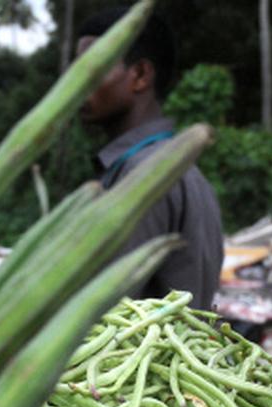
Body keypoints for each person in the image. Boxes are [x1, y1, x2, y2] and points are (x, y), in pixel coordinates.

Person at [76, 8, 225, 311]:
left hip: (138, 356)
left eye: (90, 67)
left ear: (140, 75)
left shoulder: (145, 173)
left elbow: (103, 310)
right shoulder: (173, 166)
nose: (75, 84)